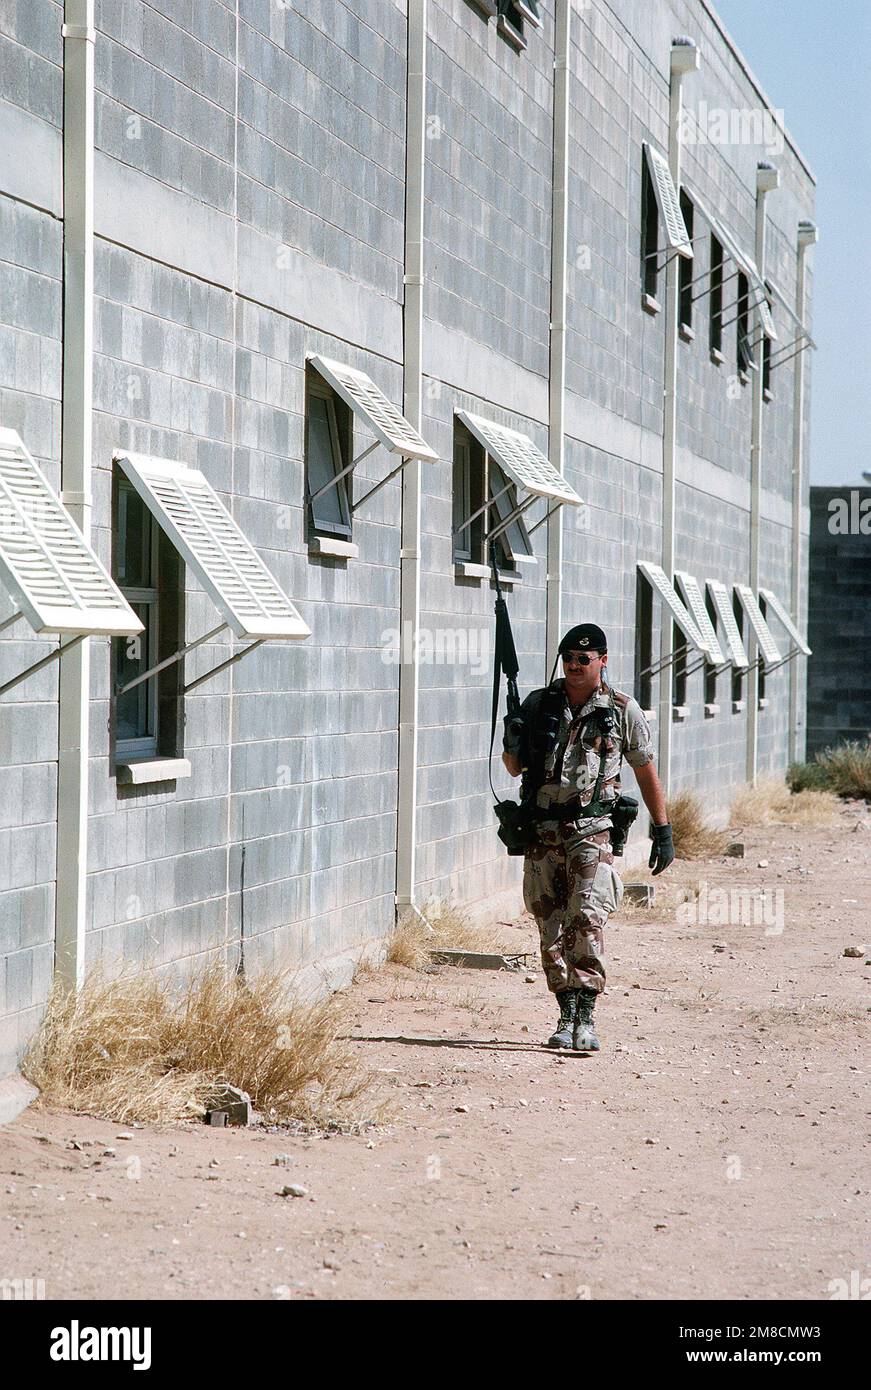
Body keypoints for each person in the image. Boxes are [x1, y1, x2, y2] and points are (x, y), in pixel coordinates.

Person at [502, 622, 674, 1051]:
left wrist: (662, 827)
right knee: (550, 923)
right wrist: (512, 738)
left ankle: (586, 1016)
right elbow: (513, 768)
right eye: (569, 659)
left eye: (585, 659)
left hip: (591, 830)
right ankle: (564, 1014)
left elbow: (644, 767)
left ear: (603, 660)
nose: (575, 666)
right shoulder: (540, 704)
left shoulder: (620, 709)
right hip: (542, 830)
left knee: (589, 917)